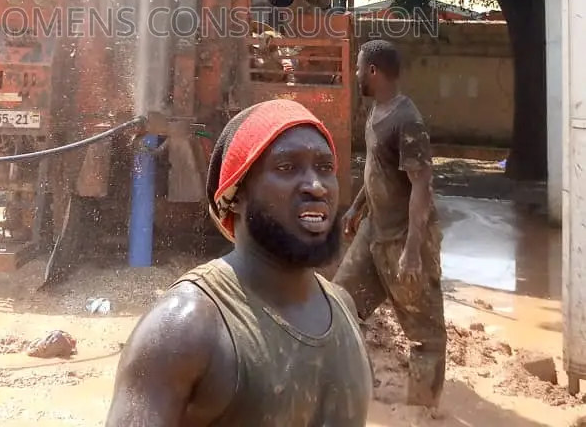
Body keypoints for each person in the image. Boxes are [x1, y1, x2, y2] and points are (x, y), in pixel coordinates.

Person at [105, 98, 373, 426]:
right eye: (287, 167)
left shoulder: (343, 308)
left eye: (325, 168)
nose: (316, 186)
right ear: (236, 196)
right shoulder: (184, 329)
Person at [333, 38, 447, 408]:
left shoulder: (407, 120)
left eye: (358, 67)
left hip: (404, 240)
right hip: (373, 233)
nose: (354, 74)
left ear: (373, 71)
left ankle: (423, 409)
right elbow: (376, 171)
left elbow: (421, 186)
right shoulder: (378, 111)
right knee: (342, 305)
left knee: (425, 334)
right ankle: (361, 388)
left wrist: (414, 251)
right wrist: (356, 209)